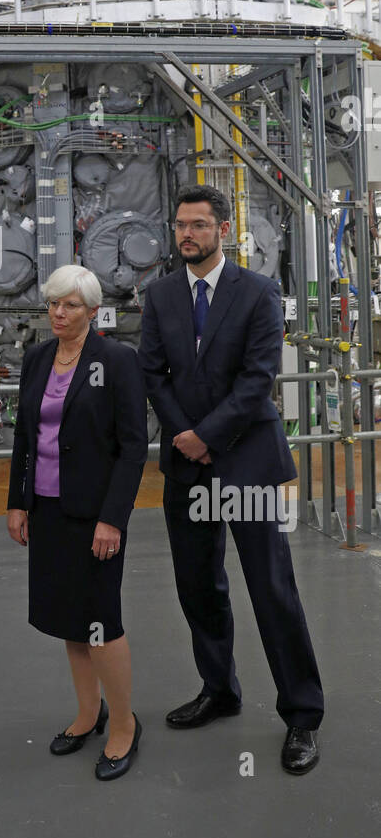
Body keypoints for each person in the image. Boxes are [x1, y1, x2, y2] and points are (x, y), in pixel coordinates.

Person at [138, 184, 324, 775]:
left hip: (247, 463)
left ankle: (301, 714)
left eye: (198, 224)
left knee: (272, 588)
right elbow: (152, 372)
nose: (186, 234)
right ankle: (219, 689)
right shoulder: (161, 294)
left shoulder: (259, 293)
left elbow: (257, 379)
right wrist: (182, 436)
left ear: (223, 228)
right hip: (187, 467)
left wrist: (206, 436)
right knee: (198, 586)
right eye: (180, 225)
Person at [6, 265, 148, 781]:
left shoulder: (117, 362)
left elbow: (133, 448)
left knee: (100, 622)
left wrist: (113, 519)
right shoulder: (39, 357)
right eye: (52, 305)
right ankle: (89, 714)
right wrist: (17, 502)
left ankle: (125, 726)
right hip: (46, 510)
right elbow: (25, 437)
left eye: (69, 306)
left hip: (94, 517)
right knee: (69, 620)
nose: (58, 314)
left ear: (91, 311)